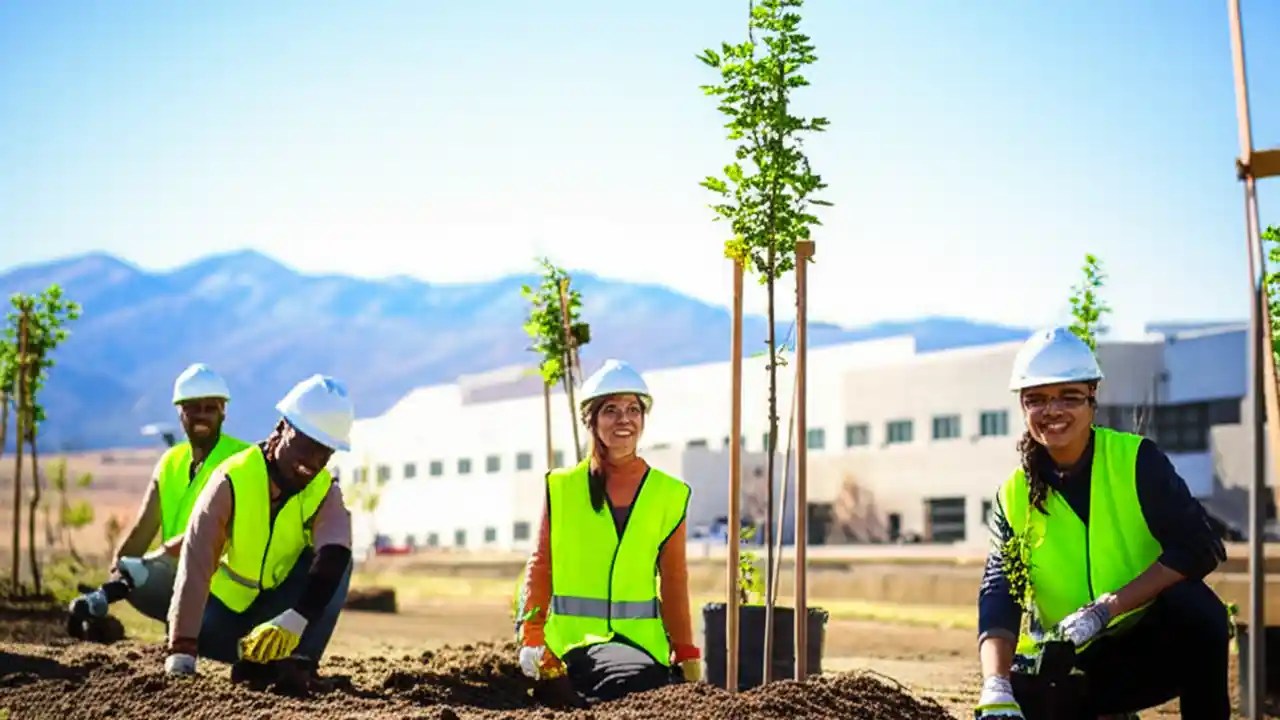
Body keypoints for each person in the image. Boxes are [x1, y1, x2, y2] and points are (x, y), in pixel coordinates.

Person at [975, 327, 1230, 719]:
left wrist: (1107, 609)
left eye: (1069, 396)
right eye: (1037, 400)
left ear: (1093, 397)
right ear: (1023, 407)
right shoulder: (1013, 496)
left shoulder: (1136, 461)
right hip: (1074, 663)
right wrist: (996, 683)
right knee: (1022, 694)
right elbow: (1000, 594)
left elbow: (1200, 547)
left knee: (1200, 612)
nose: (1053, 411)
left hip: (1147, 647)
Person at [515, 359, 701, 705]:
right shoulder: (563, 487)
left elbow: (675, 579)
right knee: (625, 685)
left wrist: (686, 651)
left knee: (646, 686)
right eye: (611, 411)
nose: (624, 420)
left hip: (642, 647)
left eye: (634, 409)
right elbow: (542, 565)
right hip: (573, 644)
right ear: (592, 420)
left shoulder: (669, 494)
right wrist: (531, 635)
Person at [162, 374, 356, 692]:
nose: (313, 462)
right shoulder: (232, 479)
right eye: (306, 445)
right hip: (216, 624)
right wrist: (182, 650)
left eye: (325, 453)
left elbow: (336, 552)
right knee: (201, 626)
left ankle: (294, 663)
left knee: (340, 558)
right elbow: (195, 565)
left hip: (275, 625)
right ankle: (251, 661)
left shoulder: (323, 491)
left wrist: (298, 617)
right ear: (281, 428)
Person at [67, 363, 251, 638]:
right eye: (193, 407)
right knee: (129, 571)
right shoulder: (170, 462)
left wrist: (154, 560)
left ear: (223, 411)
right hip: (178, 580)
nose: (202, 415)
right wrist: (109, 587)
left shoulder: (243, 460)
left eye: (210, 408)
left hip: (227, 591)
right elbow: (142, 531)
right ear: (180, 412)